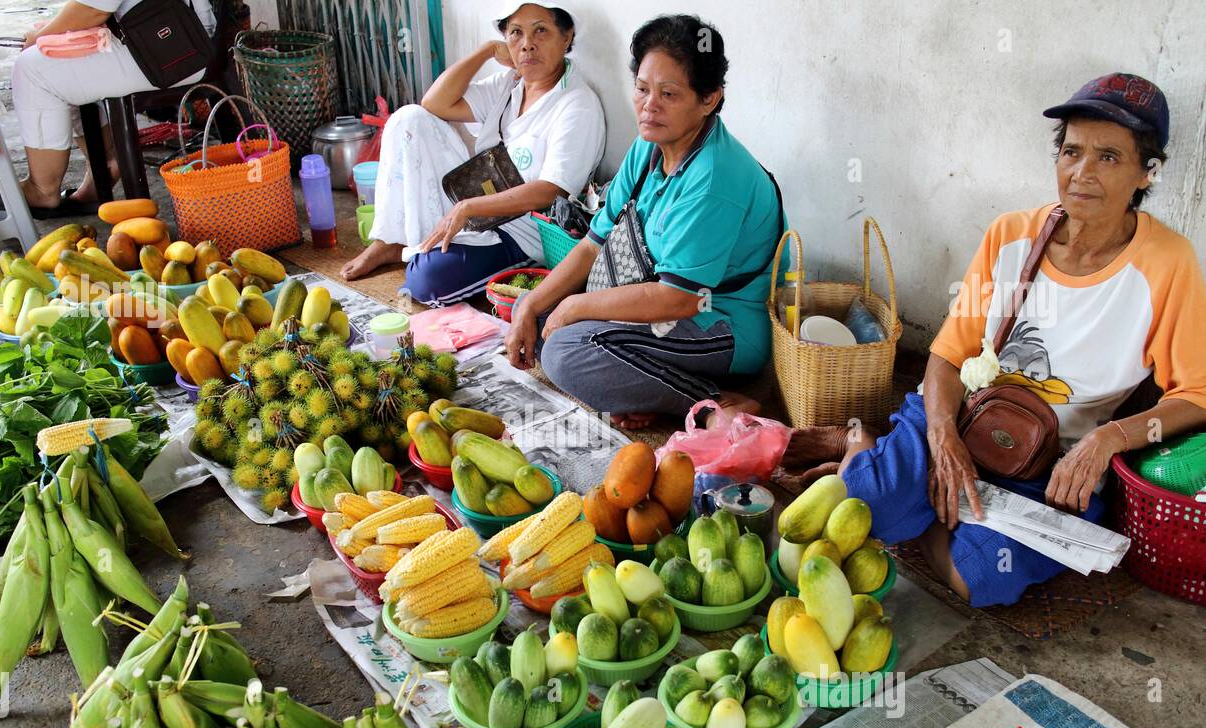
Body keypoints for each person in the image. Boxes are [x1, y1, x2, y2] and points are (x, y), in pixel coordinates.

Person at [782, 74, 1206, 607]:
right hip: (964, 418)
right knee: (863, 507)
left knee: (983, 578)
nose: (1082, 173)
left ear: (1147, 173)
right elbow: (947, 355)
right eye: (1071, 151)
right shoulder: (1011, 236)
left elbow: (1195, 394)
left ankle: (921, 501)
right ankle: (867, 449)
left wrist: (1108, 439)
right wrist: (941, 436)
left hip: (1058, 464)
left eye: (1108, 157)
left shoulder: (1169, 265)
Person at [505, 14, 784, 431]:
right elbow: (592, 244)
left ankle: (711, 403)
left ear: (709, 99)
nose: (649, 106)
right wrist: (531, 303)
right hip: (661, 300)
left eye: (668, 94)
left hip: (718, 323)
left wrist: (578, 305)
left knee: (564, 351)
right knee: (541, 319)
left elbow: (680, 300)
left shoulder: (713, 179)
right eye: (641, 88)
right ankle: (647, 383)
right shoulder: (650, 146)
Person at [340, 3, 605, 308]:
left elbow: (551, 189)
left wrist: (467, 208)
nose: (527, 44)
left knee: (427, 283)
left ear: (567, 37)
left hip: (521, 235)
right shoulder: (509, 84)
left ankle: (417, 248)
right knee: (409, 119)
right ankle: (392, 240)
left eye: (541, 31)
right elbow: (435, 102)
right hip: (476, 205)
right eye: (515, 33)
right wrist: (486, 51)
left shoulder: (576, 105)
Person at [0, 0, 215, 218]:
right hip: (170, 32)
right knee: (57, 53)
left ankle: (42, 190)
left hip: (172, 45)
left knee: (32, 69)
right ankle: (106, 166)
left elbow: (92, 9)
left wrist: (41, 36)